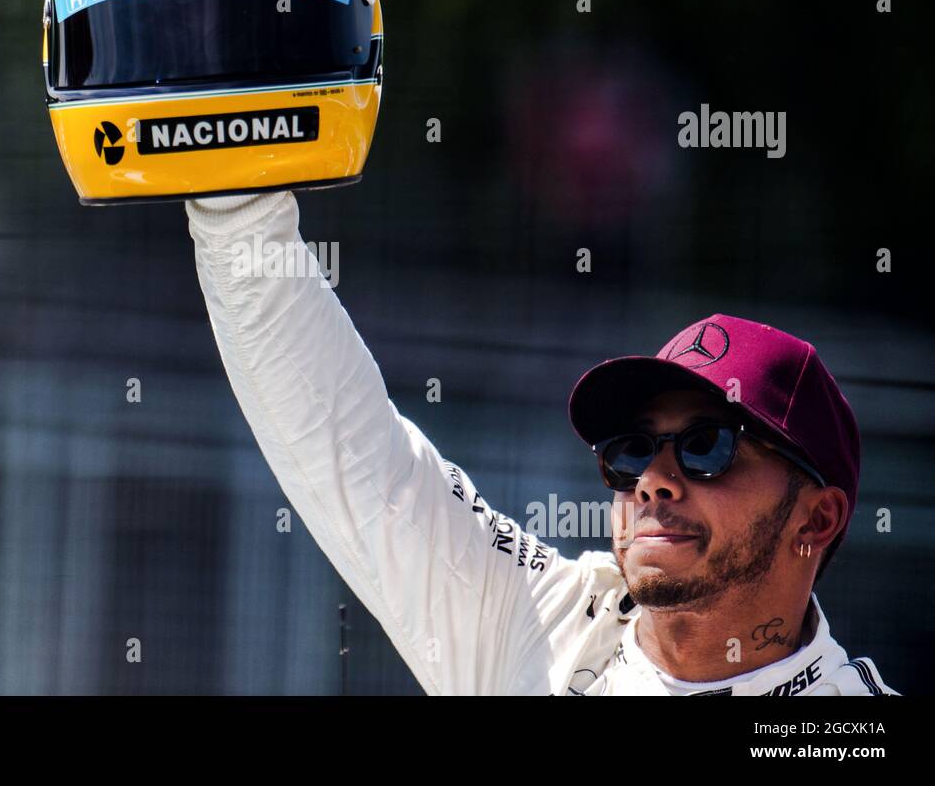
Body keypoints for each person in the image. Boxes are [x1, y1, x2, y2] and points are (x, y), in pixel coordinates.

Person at [186, 190, 899, 695]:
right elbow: (343, 440)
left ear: (817, 518)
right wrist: (231, 206)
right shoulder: (540, 618)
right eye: (629, 448)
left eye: (707, 444)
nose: (653, 480)